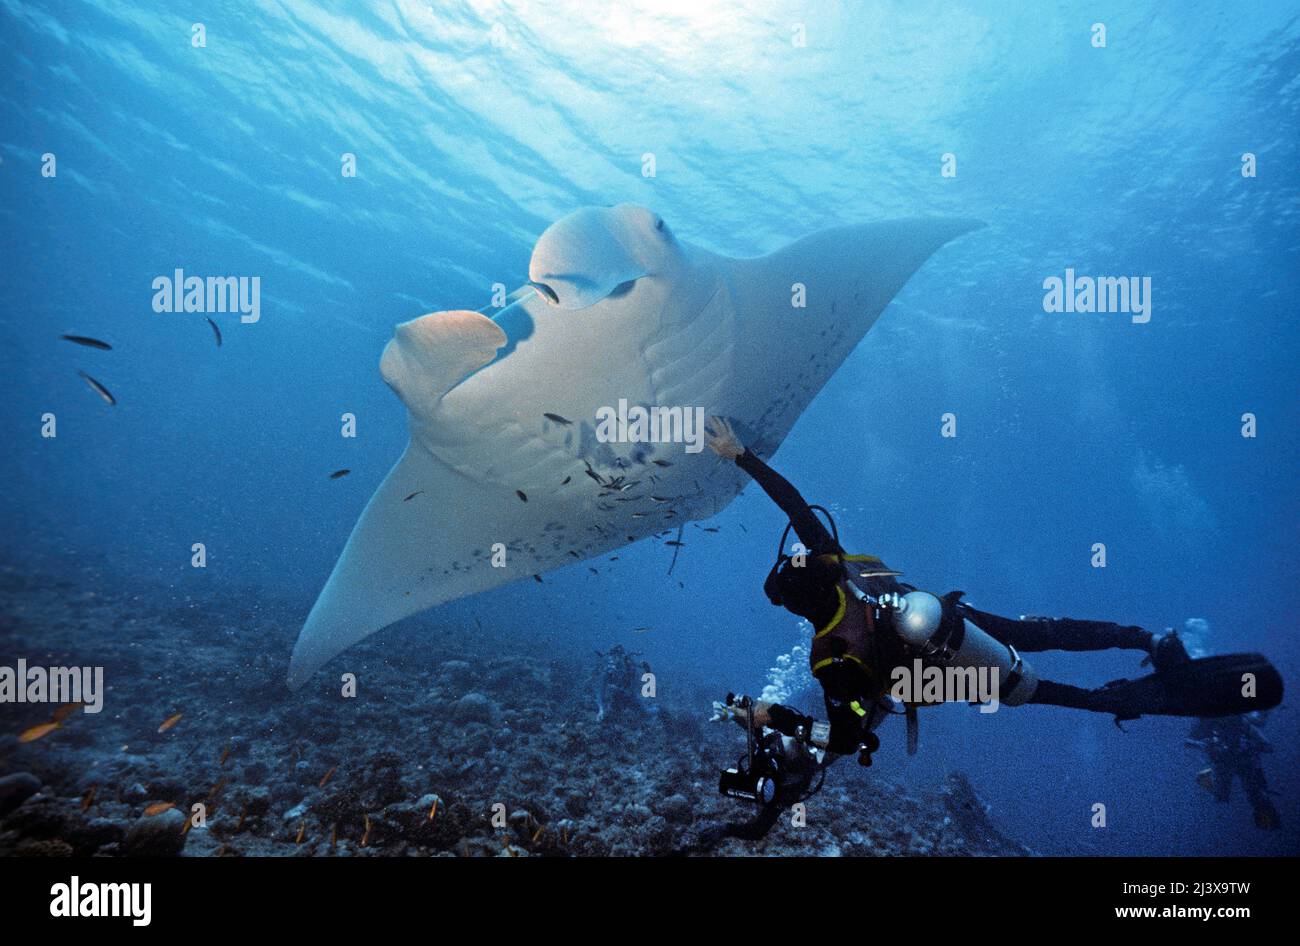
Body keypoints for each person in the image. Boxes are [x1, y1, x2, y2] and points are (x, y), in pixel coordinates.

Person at [702, 416, 1284, 770]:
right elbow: (796, 506)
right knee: (1046, 633)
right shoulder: (846, 573)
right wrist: (741, 456)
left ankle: (1128, 700)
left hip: (954, 674)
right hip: (955, 621)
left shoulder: (831, 657)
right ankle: (1148, 639)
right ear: (816, 572)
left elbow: (847, 740)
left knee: (1054, 692)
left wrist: (770, 715)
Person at [1186, 713, 1280, 830]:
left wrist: (1254, 745)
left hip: (1242, 759)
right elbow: (1189, 741)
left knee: (1254, 793)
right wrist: (1204, 745)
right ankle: (1267, 822)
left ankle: (1268, 822)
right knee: (1222, 795)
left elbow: (1265, 741)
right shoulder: (1205, 720)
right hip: (1226, 761)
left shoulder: (1239, 718)